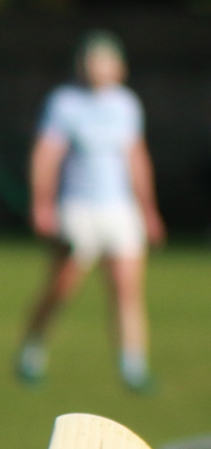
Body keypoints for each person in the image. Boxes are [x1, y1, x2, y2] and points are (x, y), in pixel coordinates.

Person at [16, 32, 164, 393]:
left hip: (119, 208)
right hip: (78, 207)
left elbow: (136, 157)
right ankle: (32, 350)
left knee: (127, 289)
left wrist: (148, 209)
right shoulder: (65, 102)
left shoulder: (127, 105)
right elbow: (46, 155)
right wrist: (42, 203)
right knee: (63, 285)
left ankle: (133, 366)